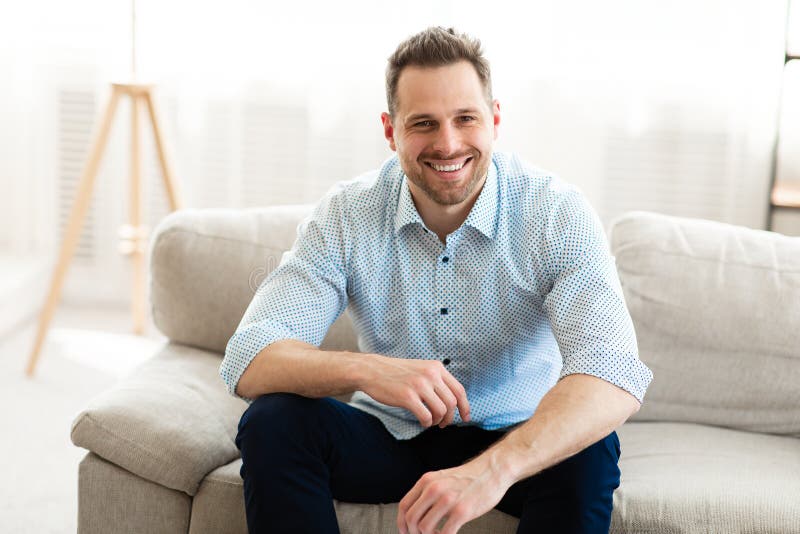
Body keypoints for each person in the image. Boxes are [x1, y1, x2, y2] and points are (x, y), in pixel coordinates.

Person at [221, 26, 653, 534]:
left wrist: (489, 472)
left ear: (494, 118)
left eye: (465, 118)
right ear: (391, 130)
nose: (447, 144)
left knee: (591, 449)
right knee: (274, 422)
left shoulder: (555, 213)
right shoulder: (345, 214)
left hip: (513, 440)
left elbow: (613, 373)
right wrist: (369, 370)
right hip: (389, 434)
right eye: (423, 123)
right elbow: (249, 359)